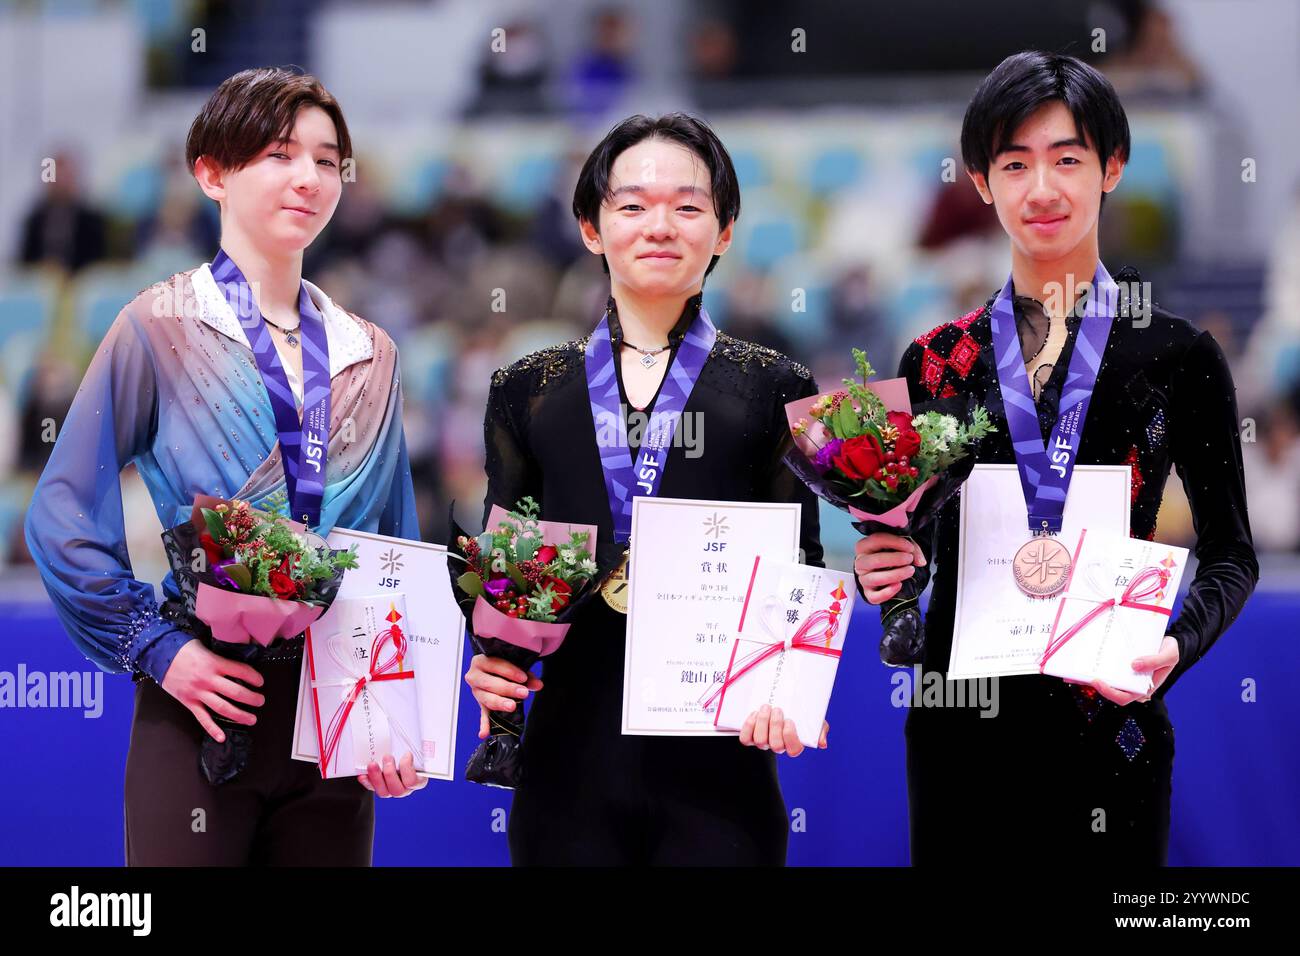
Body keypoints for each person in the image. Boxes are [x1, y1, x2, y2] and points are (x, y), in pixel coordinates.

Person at [853, 51, 1257, 865]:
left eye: (1067, 159)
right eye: (1014, 163)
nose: (1042, 188)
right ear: (979, 181)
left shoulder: (1177, 355)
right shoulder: (934, 361)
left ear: (1112, 167)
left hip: (1111, 721)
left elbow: (1230, 555)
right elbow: (915, 550)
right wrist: (886, 568)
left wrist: (1173, 647)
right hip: (958, 726)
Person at [25, 67, 426, 867]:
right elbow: (61, 512)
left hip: (334, 713)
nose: (308, 178)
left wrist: (396, 706)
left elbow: (395, 548)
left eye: (326, 159)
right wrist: (156, 648)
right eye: (279, 154)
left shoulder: (369, 353)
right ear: (212, 172)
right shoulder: (158, 327)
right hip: (200, 707)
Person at [464, 113, 826, 865]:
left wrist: (793, 680)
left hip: (722, 774)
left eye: (688, 207)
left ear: (725, 230)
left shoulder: (774, 387)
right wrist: (491, 656)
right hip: (568, 765)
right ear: (591, 228)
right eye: (632, 205)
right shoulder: (528, 389)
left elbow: (802, 564)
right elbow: (501, 571)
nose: (660, 225)